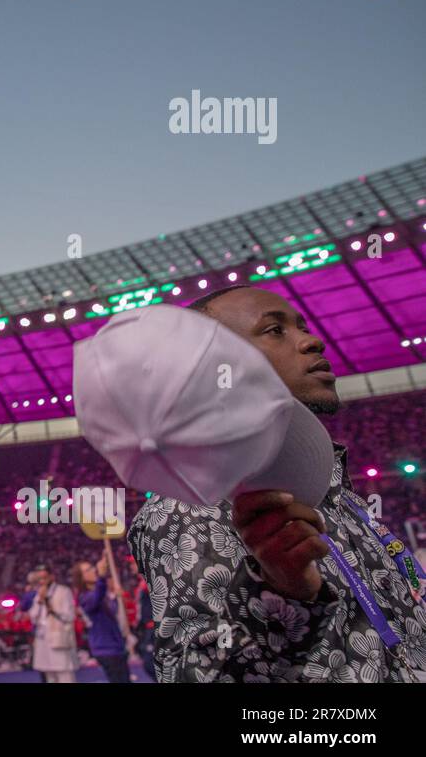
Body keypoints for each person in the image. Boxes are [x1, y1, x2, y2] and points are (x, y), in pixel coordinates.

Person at [128, 286, 426, 681]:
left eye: (301, 325)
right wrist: (282, 594)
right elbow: (197, 674)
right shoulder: (190, 506)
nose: (313, 340)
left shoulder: (333, 487)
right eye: (274, 330)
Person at [70, 549, 129, 683]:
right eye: (87, 570)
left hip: (116, 645)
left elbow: (111, 613)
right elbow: (96, 597)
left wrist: (115, 598)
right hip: (105, 648)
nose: (92, 570)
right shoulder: (84, 597)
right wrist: (102, 578)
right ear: (81, 577)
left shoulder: (101, 594)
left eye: (92, 567)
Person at [23, 565, 78, 682]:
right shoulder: (38, 594)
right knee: (49, 676)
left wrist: (51, 607)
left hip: (59, 638)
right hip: (42, 639)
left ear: (51, 577)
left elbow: (69, 615)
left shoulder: (63, 591)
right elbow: (33, 616)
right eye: (39, 579)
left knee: (64, 675)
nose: (42, 581)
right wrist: (39, 600)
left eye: (44, 578)